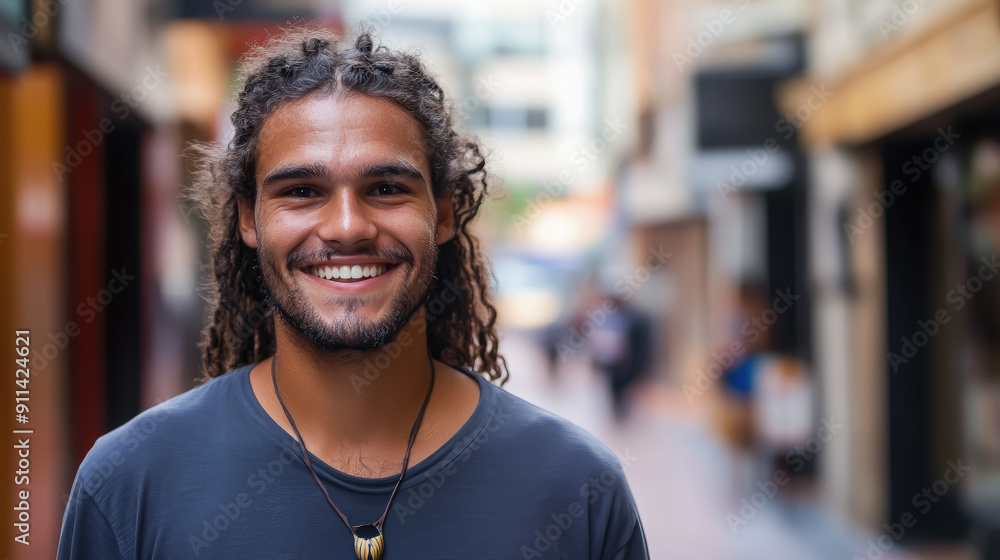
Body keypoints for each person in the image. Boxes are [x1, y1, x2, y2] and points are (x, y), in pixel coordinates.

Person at [57, 27, 648, 560]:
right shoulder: (131, 483)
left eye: (386, 187)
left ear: (442, 215)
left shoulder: (577, 488)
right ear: (247, 218)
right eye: (302, 191)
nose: (346, 226)